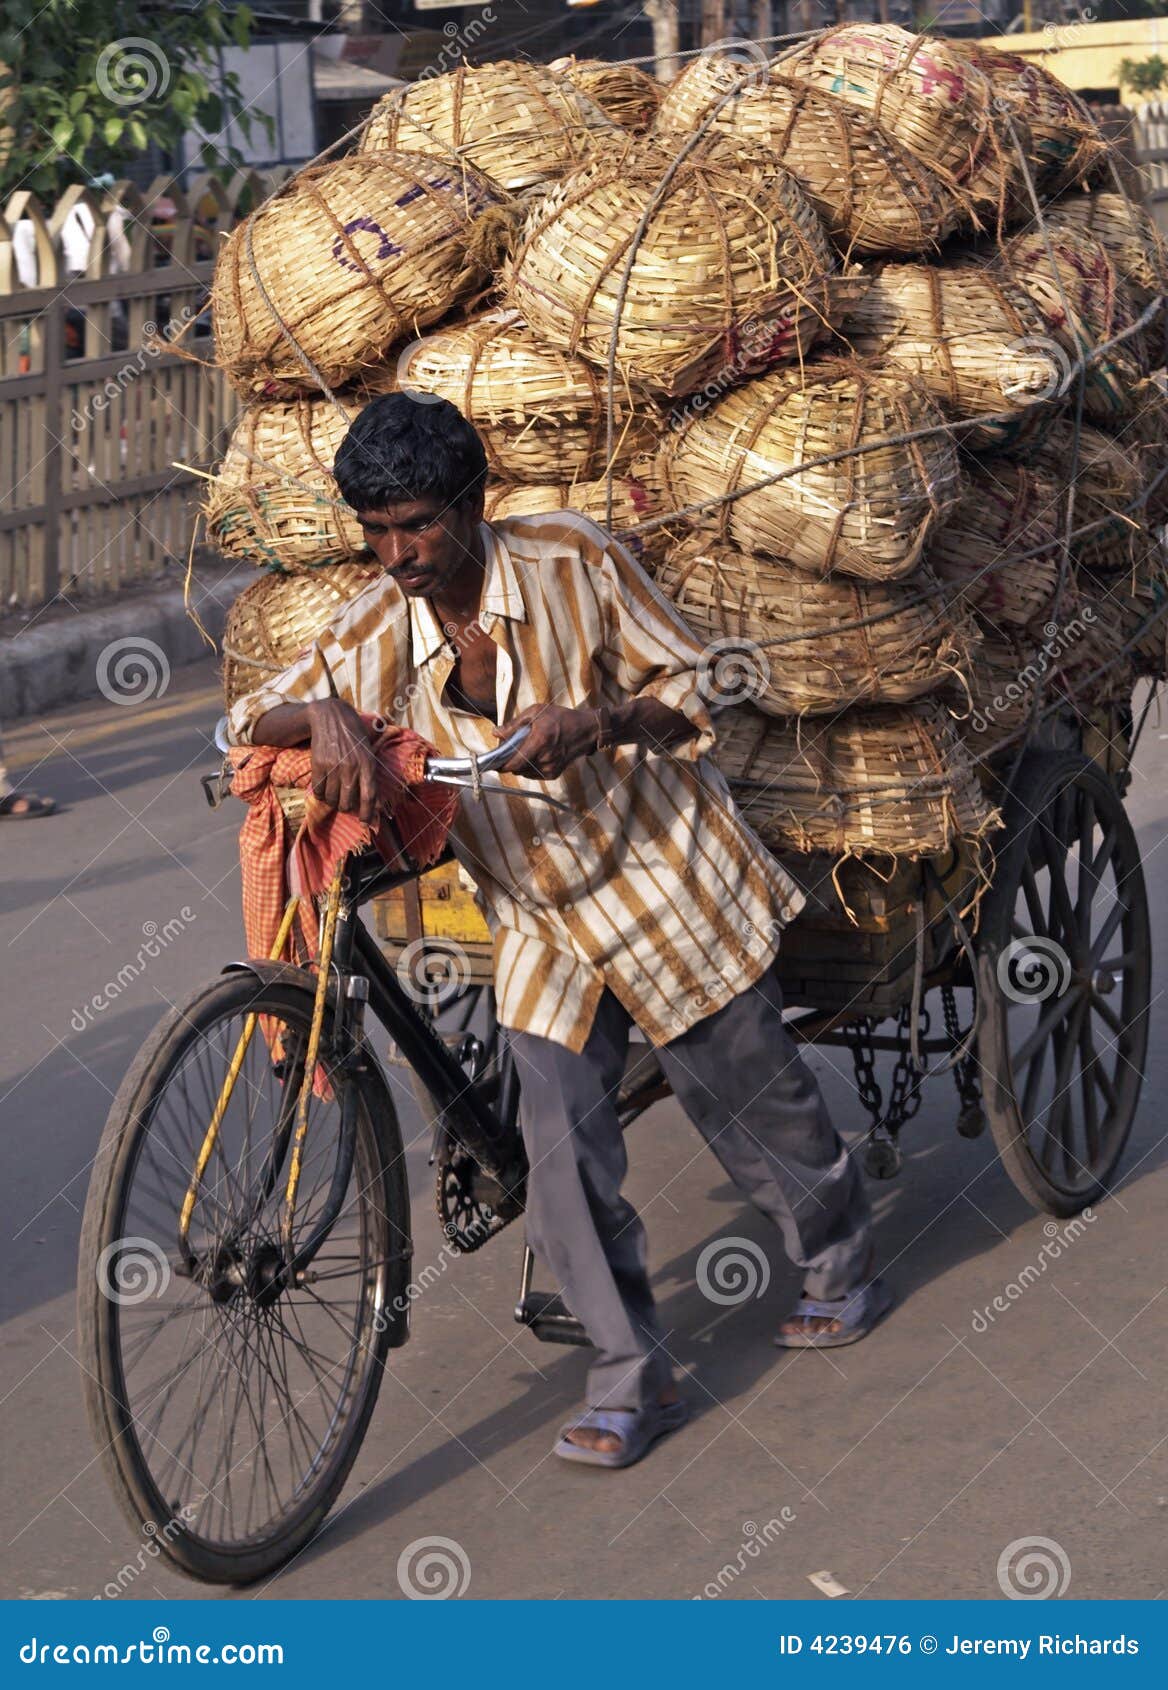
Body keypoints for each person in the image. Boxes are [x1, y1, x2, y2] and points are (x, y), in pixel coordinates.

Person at [226, 393, 889, 1470]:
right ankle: (634, 1372)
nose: (399, 554)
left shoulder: (573, 560)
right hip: (537, 915)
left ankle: (837, 1253)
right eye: (378, 530)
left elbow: (703, 684)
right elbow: (249, 718)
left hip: (661, 874)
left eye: (419, 525)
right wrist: (327, 717)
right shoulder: (372, 625)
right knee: (559, 1146)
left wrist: (603, 720)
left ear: (474, 504)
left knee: (747, 1096)